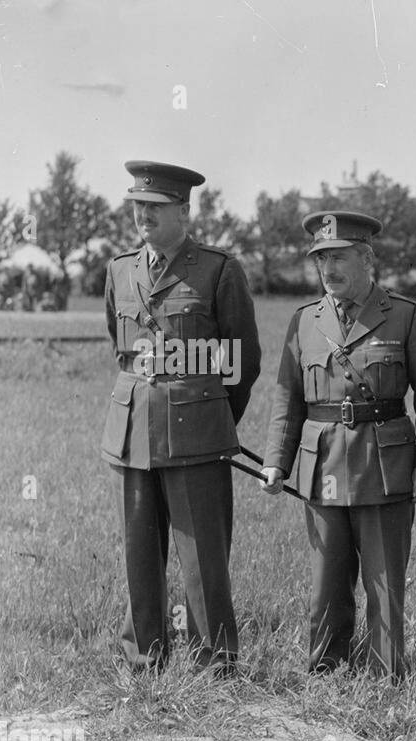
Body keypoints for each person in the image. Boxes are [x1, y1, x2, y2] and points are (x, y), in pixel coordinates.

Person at [261, 210, 416, 680]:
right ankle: (326, 669)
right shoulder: (305, 321)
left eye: (339, 258)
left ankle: (387, 673)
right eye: (321, 260)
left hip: (384, 465)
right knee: (326, 579)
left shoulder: (405, 316)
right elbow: (287, 396)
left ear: (367, 259)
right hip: (320, 462)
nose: (329, 269)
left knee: (384, 579)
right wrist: (275, 462)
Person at [101, 160, 261, 672]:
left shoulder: (218, 269)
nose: (142, 215)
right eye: (137, 206)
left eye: (154, 207)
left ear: (184, 211)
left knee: (202, 557)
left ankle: (214, 662)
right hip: (132, 431)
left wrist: (210, 413)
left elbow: (241, 361)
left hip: (197, 435)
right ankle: (142, 657)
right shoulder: (119, 270)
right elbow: (122, 350)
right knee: (139, 551)